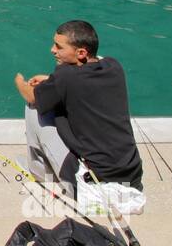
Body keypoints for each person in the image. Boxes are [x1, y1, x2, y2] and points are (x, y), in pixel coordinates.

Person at [13, 20, 145, 214]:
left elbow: (31, 95)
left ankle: (39, 172)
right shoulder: (113, 66)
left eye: (59, 46)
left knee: (34, 106)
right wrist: (52, 80)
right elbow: (83, 78)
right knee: (54, 100)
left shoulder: (66, 77)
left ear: (81, 53)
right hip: (131, 177)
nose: (52, 50)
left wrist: (20, 82)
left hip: (91, 183)